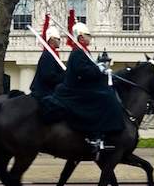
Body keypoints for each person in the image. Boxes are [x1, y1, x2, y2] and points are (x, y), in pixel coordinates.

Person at [42, 22, 125, 158]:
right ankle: (96, 135)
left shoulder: (83, 52)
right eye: (88, 35)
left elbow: (89, 70)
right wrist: (99, 68)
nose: (90, 38)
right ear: (81, 38)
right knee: (106, 98)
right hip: (75, 90)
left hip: (80, 87)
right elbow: (84, 72)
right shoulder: (78, 53)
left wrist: (99, 68)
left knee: (107, 93)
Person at [29, 27, 65, 99]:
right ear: (51, 40)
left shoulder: (53, 54)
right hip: (44, 91)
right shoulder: (48, 55)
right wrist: (64, 77)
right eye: (58, 39)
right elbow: (48, 76)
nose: (60, 41)